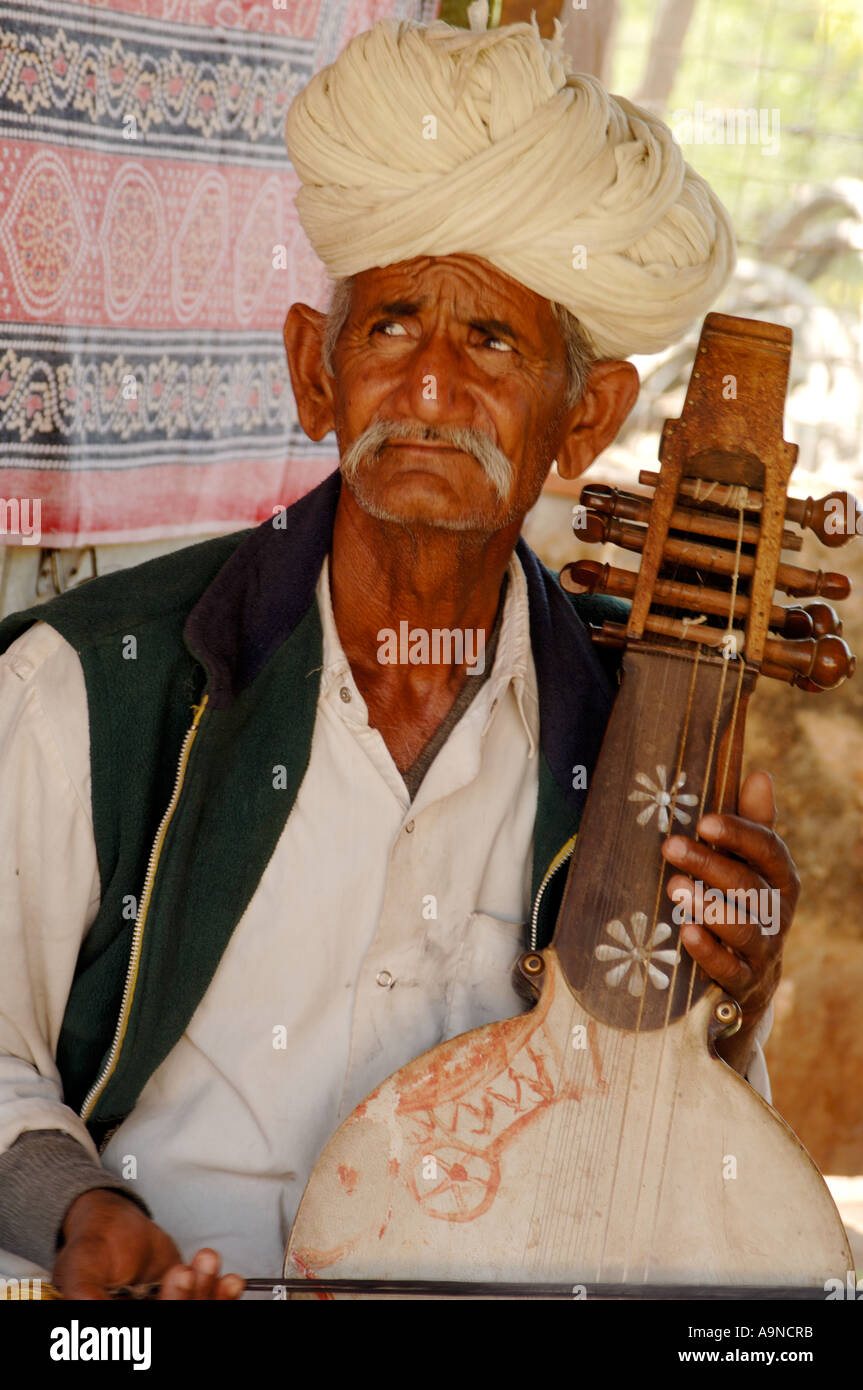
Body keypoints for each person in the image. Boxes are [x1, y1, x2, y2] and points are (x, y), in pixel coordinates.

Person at [0, 17, 797, 1301]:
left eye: (490, 343)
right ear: (315, 374)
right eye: (392, 330)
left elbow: (665, 1165)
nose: (430, 387)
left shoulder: (629, 745)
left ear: (579, 419)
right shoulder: (90, 686)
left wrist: (727, 994)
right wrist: (84, 1215)